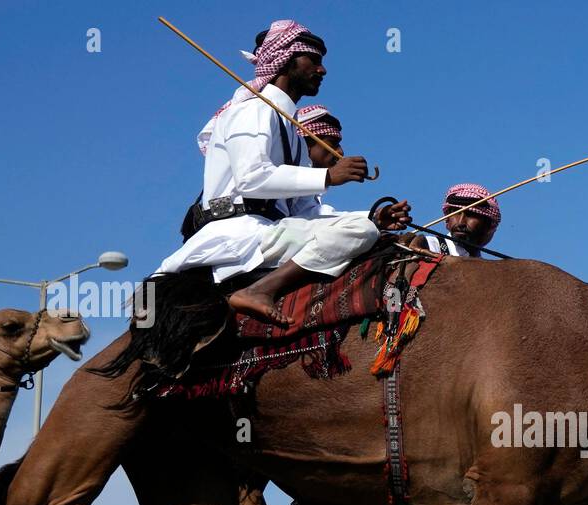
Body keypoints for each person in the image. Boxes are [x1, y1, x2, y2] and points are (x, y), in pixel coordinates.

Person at [159, 20, 412, 324]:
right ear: (286, 61)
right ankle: (258, 291)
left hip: (272, 231)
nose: (322, 70)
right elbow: (251, 178)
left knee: (363, 228)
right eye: (314, 61)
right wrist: (329, 177)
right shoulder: (252, 110)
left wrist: (373, 217)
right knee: (361, 233)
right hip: (239, 232)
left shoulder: (290, 129)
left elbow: (307, 211)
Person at [422, 184, 501, 257]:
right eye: (456, 213)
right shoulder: (427, 246)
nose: (460, 222)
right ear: (447, 219)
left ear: (488, 225)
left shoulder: (486, 268)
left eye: (471, 214)